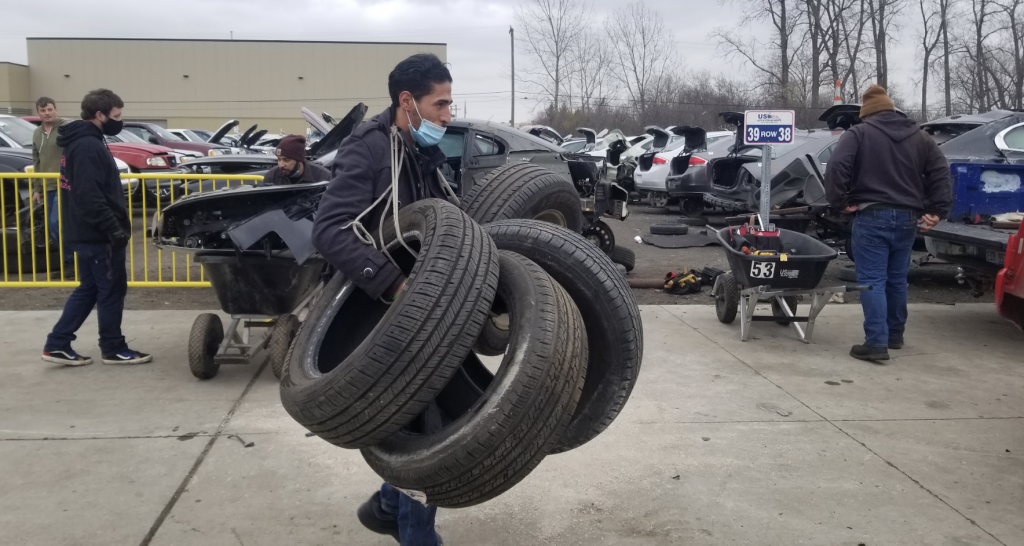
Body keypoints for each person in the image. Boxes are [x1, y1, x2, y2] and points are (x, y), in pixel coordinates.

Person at [311, 53, 453, 546]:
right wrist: (394, 284)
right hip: (381, 305)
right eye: (440, 104)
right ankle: (416, 536)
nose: (447, 115)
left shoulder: (418, 149)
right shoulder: (368, 148)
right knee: (424, 429)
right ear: (407, 101)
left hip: (424, 302)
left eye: (450, 104)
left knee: (425, 418)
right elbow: (329, 230)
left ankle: (387, 505)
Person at [825, 84, 952, 362]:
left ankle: (876, 342)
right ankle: (895, 335)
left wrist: (840, 202)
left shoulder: (858, 133)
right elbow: (941, 171)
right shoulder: (920, 137)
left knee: (872, 280)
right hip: (908, 218)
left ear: (867, 113)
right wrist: (937, 209)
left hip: (872, 215)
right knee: (896, 279)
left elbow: (836, 167)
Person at [41, 89, 152, 367]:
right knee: (111, 290)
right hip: (97, 235)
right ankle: (113, 347)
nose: (120, 120)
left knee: (89, 289)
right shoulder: (87, 146)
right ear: (100, 115)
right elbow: (88, 196)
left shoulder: (81, 142)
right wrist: (113, 229)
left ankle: (57, 343)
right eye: (117, 115)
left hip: (85, 232)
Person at [30, 96, 74, 277]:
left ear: (56, 110)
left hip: (64, 184)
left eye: (50, 109)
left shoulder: (66, 128)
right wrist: (36, 189)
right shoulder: (36, 133)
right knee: (52, 225)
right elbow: (37, 161)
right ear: (38, 113)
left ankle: (73, 262)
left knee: (58, 223)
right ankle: (67, 263)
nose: (47, 113)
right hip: (47, 185)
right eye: (43, 110)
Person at [260, 134, 331, 186]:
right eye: (279, 159)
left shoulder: (323, 177)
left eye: (286, 160)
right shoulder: (271, 177)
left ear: (299, 160)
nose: (281, 165)